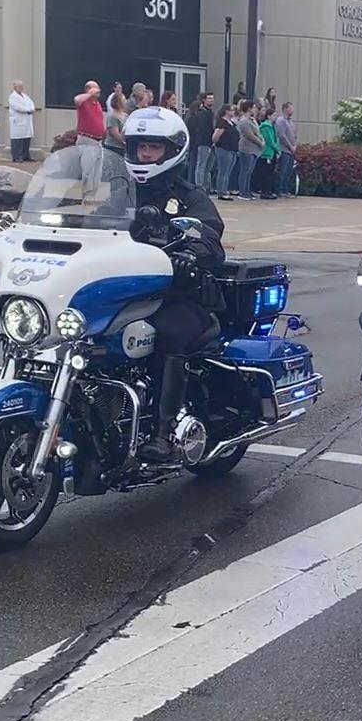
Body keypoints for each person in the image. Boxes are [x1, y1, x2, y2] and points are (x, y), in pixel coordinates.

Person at [120, 106, 228, 463]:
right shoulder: (118, 194)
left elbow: (211, 241)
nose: (145, 155)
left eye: (154, 148)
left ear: (172, 151)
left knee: (166, 335)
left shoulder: (190, 196)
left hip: (182, 297)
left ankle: (163, 434)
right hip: (128, 294)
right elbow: (86, 225)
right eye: (140, 148)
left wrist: (191, 254)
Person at [235, 101, 265, 200]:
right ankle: (243, 192)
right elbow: (249, 135)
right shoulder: (244, 121)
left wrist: (262, 140)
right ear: (248, 108)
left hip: (254, 149)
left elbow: (258, 132)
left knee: (249, 171)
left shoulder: (252, 120)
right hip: (246, 149)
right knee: (245, 170)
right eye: (254, 107)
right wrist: (259, 142)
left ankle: (247, 190)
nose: (255, 110)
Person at [188, 92, 217, 190]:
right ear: (204, 100)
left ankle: (207, 185)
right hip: (204, 142)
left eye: (212, 98)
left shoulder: (210, 112)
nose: (211, 100)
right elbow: (203, 129)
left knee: (208, 166)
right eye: (209, 98)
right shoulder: (201, 113)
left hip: (211, 143)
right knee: (201, 165)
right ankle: (199, 185)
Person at [212, 104, 240, 200]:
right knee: (223, 171)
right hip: (224, 149)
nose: (233, 112)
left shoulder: (232, 123)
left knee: (228, 171)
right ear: (226, 111)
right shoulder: (222, 123)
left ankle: (225, 189)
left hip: (232, 149)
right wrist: (216, 144)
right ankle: (221, 191)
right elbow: (215, 137)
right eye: (231, 110)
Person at [6, 81, 36, 163]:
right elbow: (17, 107)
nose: (21, 88)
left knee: (26, 138)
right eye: (19, 86)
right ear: (15, 87)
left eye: (22, 86)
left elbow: (31, 103)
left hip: (26, 119)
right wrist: (28, 110)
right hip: (18, 121)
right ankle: (16, 156)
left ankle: (25, 156)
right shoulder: (12, 97)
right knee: (17, 140)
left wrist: (32, 108)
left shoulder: (25, 96)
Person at [274, 102, 299, 197]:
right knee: (282, 171)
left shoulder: (291, 123)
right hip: (284, 150)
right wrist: (290, 146)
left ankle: (286, 189)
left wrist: (295, 146)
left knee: (288, 171)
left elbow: (295, 136)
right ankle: (279, 190)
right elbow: (282, 135)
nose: (292, 110)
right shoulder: (280, 121)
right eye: (290, 108)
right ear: (285, 109)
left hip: (291, 151)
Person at [257, 104, 281, 200]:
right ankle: (264, 191)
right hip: (267, 152)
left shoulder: (273, 126)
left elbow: (276, 138)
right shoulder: (265, 126)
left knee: (271, 172)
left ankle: (269, 190)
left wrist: (277, 148)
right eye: (274, 115)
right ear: (268, 116)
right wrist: (276, 148)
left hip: (273, 153)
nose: (275, 117)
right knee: (266, 173)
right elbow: (269, 140)